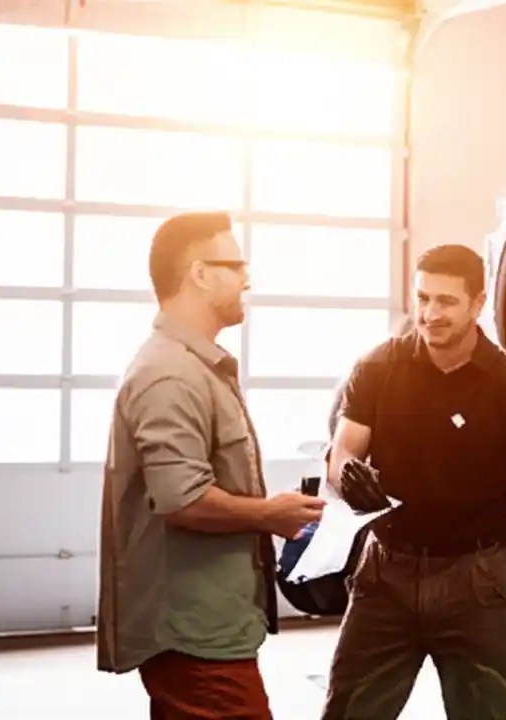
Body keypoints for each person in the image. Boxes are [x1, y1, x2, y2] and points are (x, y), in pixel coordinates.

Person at [96, 211, 326, 719]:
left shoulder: (194, 367)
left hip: (208, 626)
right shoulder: (171, 375)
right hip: (192, 634)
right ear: (199, 273)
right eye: (236, 264)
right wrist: (270, 514)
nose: (247, 278)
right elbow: (183, 498)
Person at [322, 244, 506, 720]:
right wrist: (347, 474)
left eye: (446, 302)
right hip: (385, 573)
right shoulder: (378, 367)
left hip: (475, 582)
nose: (430, 314)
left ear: (478, 304)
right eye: (423, 298)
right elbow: (343, 451)